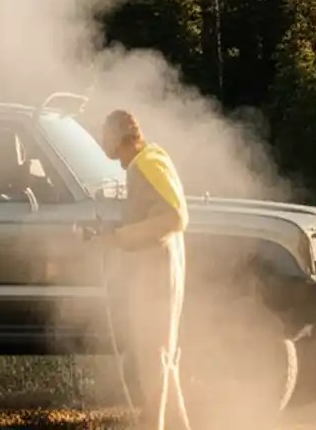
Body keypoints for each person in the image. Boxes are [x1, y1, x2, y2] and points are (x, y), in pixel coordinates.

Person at [100, 110, 192, 430]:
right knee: (164, 361)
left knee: (153, 360)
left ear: (117, 139)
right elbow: (154, 214)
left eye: (105, 140)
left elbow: (176, 217)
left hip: (156, 274)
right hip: (162, 268)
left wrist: (121, 237)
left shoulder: (147, 164)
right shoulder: (151, 158)